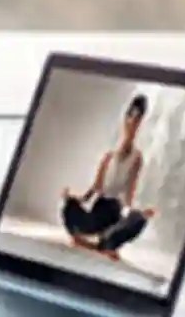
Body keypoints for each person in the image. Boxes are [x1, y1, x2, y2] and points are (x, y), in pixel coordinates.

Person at [60, 94, 159, 261]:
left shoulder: (137, 158)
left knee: (139, 219)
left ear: (140, 124)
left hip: (114, 211)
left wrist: (138, 212)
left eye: (137, 119)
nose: (132, 123)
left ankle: (102, 243)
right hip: (98, 210)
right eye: (130, 117)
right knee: (68, 206)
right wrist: (72, 197)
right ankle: (96, 243)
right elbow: (93, 190)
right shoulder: (108, 156)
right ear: (125, 119)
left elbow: (129, 195)